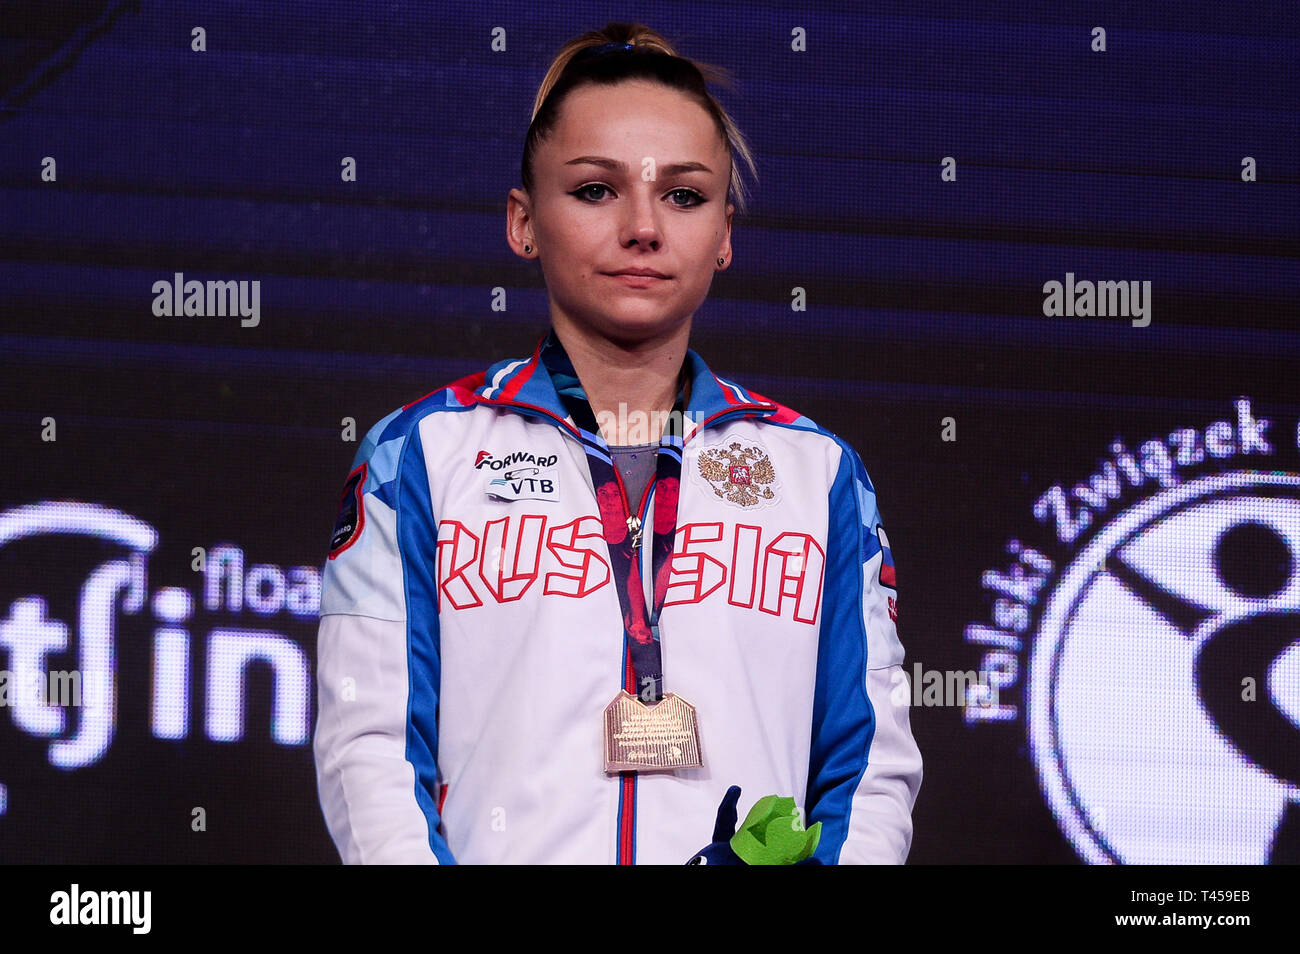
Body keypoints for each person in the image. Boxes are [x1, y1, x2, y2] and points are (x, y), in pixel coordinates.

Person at [312, 21, 922, 865]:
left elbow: (870, 772)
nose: (643, 228)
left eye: (684, 195)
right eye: (596, 190)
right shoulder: (418, 457)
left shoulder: (816, 474)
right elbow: (369, 752)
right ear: (523, 223)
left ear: (726, 235)